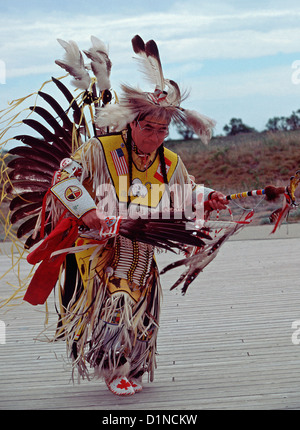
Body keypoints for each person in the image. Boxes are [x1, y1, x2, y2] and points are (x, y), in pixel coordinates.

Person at [10, 35, 228, 396]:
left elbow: (185, 191)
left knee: (142, 307)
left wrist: (210, 197)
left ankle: (135, 363)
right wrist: (89, 211)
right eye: (149, 128)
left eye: (163, 130)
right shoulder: (100, 148)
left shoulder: (169, 161)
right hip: (100, 246)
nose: (156, 137)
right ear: (131, 124)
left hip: (144, 247)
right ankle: (114, 368)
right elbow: (64, 178)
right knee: (117, 299)